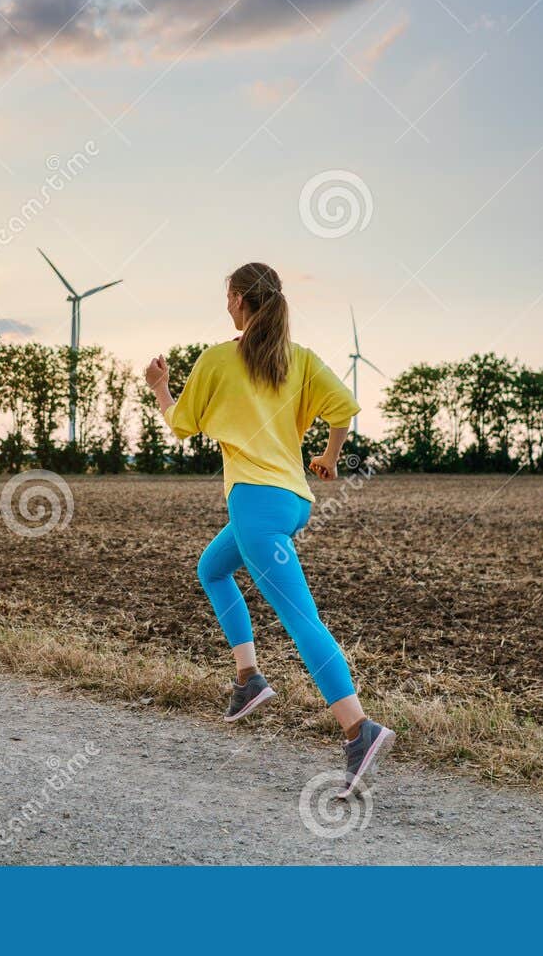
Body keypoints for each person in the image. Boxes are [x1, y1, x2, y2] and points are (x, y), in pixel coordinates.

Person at [144, 262, 394, 797]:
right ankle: (248, 679)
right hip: (290, 501)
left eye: (227, 297)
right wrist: (327, 458)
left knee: (301, 619)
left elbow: (181, 424)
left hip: (255, 505)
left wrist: (161, 388)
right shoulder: (298, 359)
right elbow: (343, 410)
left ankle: (358, 729)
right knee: (211, 569)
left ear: (237, 299)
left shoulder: (218, 359)